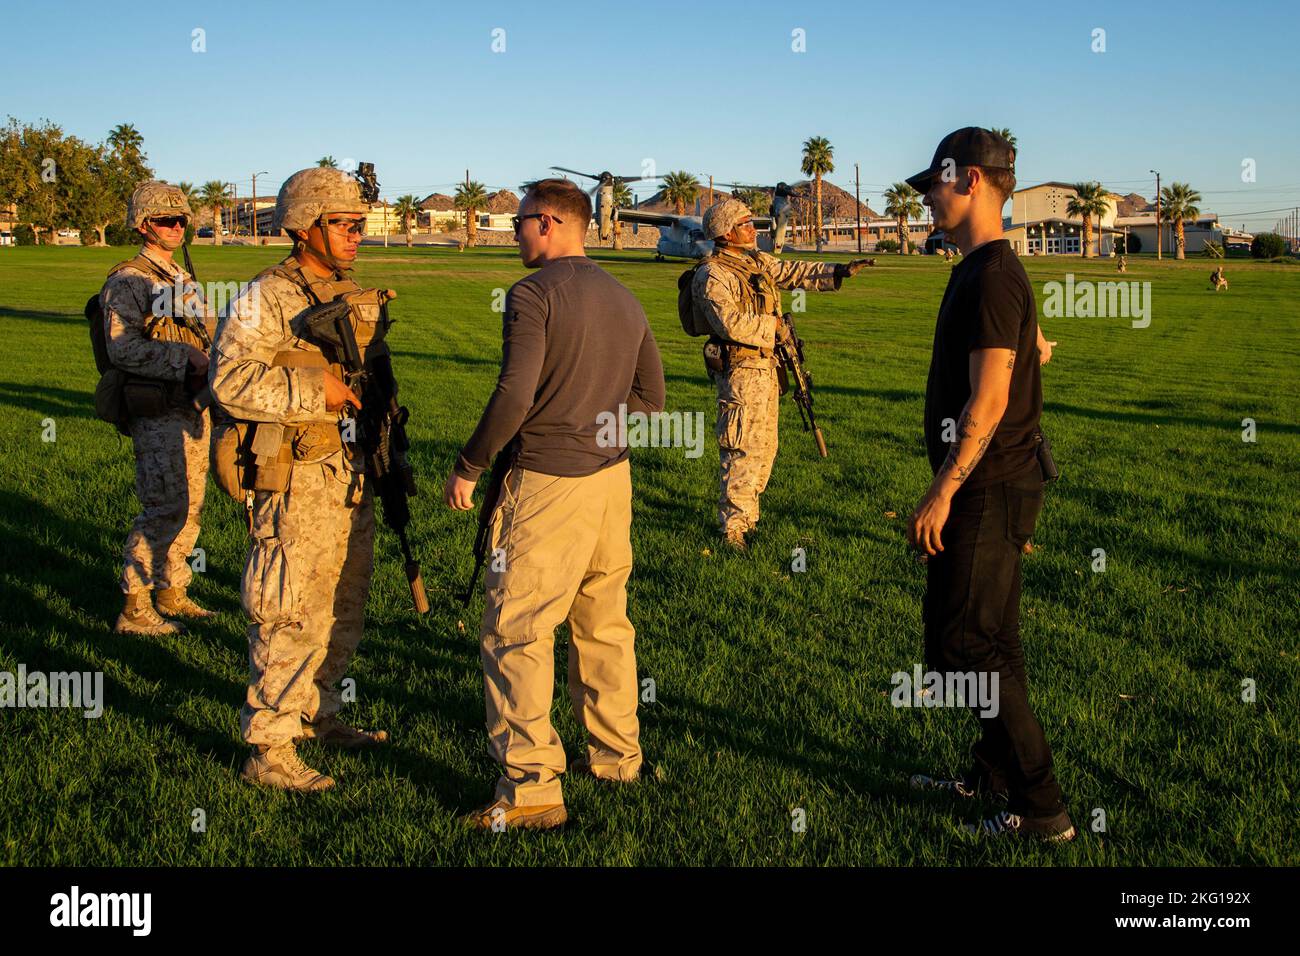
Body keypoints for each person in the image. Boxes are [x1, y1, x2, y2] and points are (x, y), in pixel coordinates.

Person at [444, 178, 665, 831]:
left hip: (545, 484)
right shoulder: (624, 296)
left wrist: (468, 466)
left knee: (518, 630)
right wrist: (596, 432)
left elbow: (515, 394)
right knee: (604, 624)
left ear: (546, 223)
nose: (513, 235)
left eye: (517, 225)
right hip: (609, 484)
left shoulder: (533, 293)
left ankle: (533, 788)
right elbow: (650, 398)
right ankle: (617, 756)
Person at [902, 128, 1073, 841]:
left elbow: (991, 399)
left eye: (934, 185)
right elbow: (1019, 351)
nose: (927, 199)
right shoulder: (982, 269)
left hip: (987, 487)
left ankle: (1041, 810)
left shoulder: (994, 273)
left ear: (970, 180)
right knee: (986, 643)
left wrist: (944, 490)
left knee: (968, 647)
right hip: (1000, 483)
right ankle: (995, 773)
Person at [210, 167, 394, 792]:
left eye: (360, 225)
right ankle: (269, 748)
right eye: (343, 224)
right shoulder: (266, 297)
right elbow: (229, 382)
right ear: (302, 226)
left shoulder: (347, 290)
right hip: (295, 480)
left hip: (350, 472)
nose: (355, 235)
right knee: (288, 612)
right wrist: (317, 390)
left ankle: (321, 714)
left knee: (342, 607)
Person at [688, 198, 873, 551]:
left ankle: (749, 518)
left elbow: (791, 272)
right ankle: (733, 530)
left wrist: (837, 272)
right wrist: (774, 326)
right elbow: (728, 322)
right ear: (727, 233)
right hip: (741, 371)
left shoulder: (755, 261)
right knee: (741, 446)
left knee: (765, 447)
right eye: (745, 223)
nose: (753, 229)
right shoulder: (712, 274)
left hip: (768, 368)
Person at [100, 181, 215, 635]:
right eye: (166, 220)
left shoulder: (178, 276)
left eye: (182, 219)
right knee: (164, 506)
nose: (176, 227)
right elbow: (120, 349)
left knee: (191, 504)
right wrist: (183, 359)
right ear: (144, 224)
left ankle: (172, 589)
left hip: (191, 406)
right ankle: (133, 605)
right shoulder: (129, 279)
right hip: (158, 409)